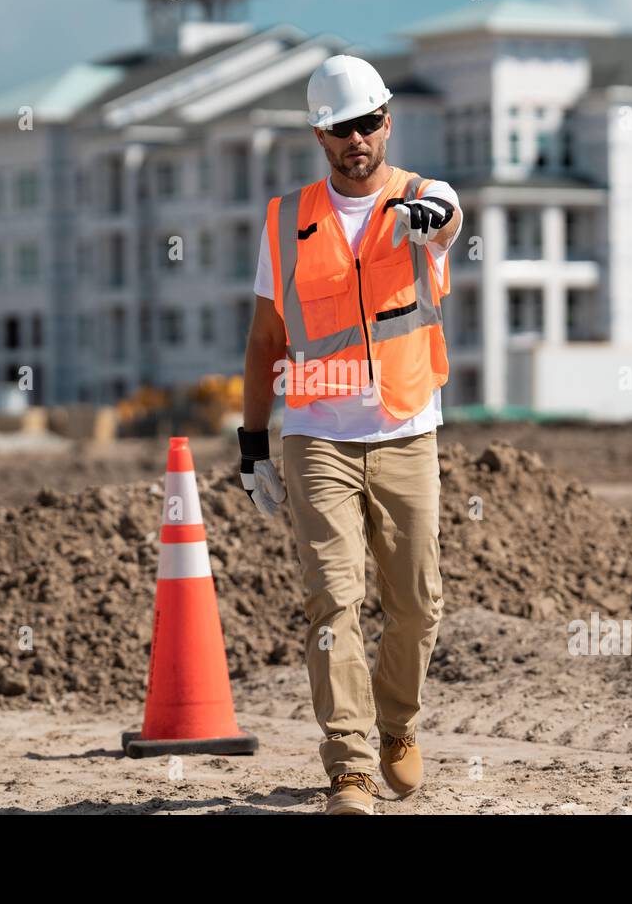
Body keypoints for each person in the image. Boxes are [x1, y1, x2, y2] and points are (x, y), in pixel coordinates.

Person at [237, 54, 462, 814]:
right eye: (340, 127)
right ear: (319, 134)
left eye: (368, 122)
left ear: (387, 122)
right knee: (332, 599)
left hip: (404, 426)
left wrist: (440, 216)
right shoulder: (283, 220)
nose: (356, 138)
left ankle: (397, 724)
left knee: (418, 601)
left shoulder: (419, 203)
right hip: (315, 434)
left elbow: (449, 212)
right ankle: (351, 767)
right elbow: (267, 339)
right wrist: (252, 442)